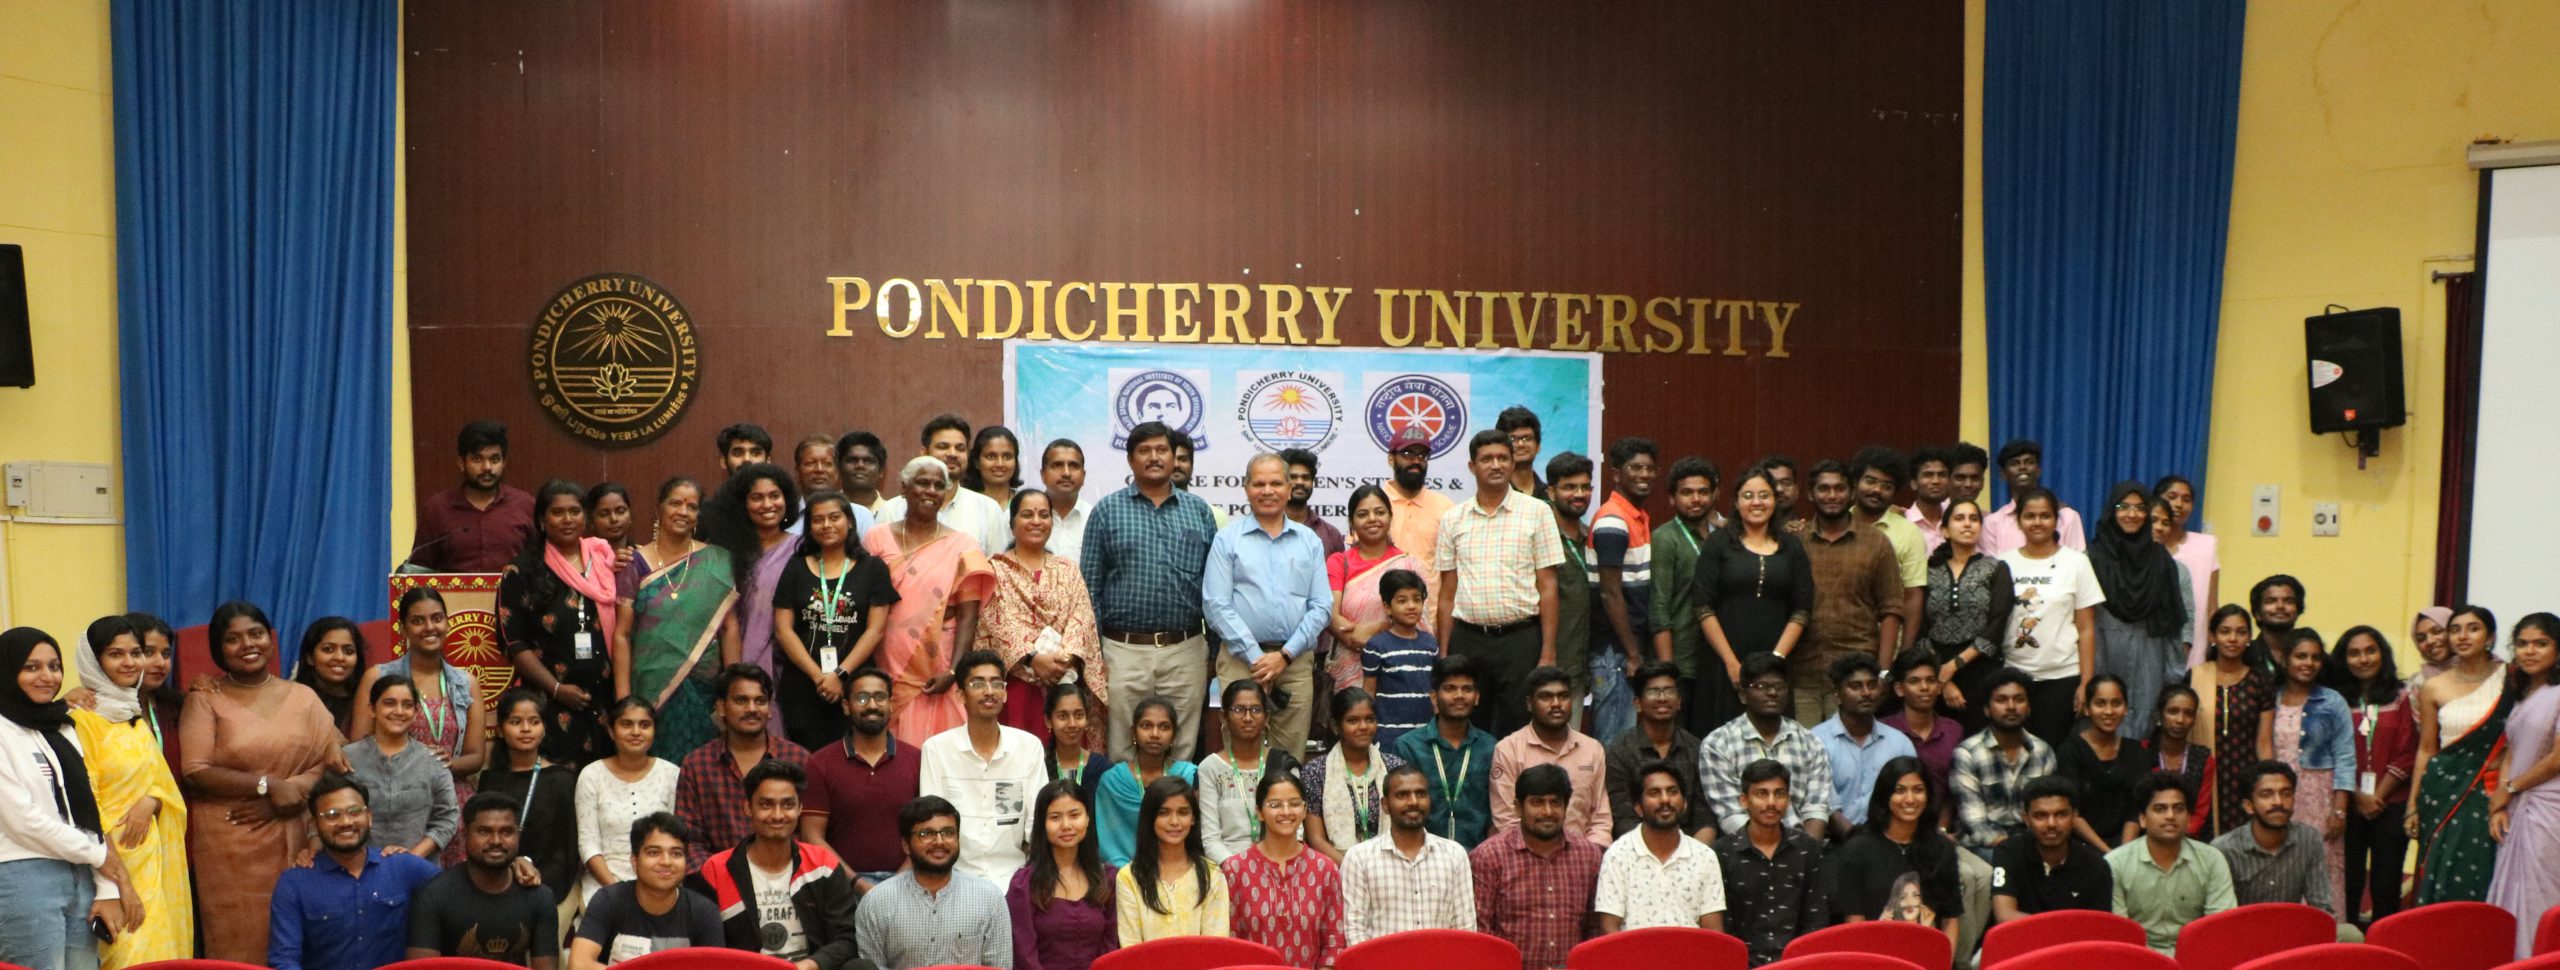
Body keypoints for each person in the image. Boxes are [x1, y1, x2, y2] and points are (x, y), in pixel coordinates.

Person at [182, 602, 342, 963]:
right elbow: (195, 770)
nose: (247, 644)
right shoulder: (206, 700)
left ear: (270, 640)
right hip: (233, 842)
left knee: (306, 934)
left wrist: (295, 790)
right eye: (233, 639)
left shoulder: (303, 696)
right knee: (241, 942)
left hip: (301, 831)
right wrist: (267, 786)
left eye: (255, 634)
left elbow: (335, 753)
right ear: (218, 650)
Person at [1080, 421, 1220, 762]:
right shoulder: (1107, 511)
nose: (1154, 457)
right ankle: (1127, 814)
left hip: (1185, 650)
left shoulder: (1199, 511)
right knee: (1122, 747)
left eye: (1161, 450)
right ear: (1130, 460)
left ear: (1175, 459)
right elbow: (1089, 590)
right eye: (1144, 451)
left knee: (1182, 747)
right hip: (1123, 650)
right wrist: (1097, 656)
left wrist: (1213, 653)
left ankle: (1175, 815)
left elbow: (1214, 590)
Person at [0, 627, 134, 970]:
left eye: (54, 666)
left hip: (81, 873)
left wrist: (105, 887)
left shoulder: (62, 726)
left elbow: (85, 809)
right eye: (31, 667)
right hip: (21, 874)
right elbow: (21, 821)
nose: (47, 676)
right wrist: (98, 855)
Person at [66, 617, 190, 967]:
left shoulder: (133, 719)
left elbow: (161, 781)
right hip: (108, 865)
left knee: (158, 955)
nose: (129, 662)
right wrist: (116, 883)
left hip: (150, 861)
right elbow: (82, 804)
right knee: (125, 955)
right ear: (94, 661)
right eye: (115, 654)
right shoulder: (82, 720)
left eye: (135, 653)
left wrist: (151, 801)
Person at [1436, 430, 1565, 737]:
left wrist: (1547, 651)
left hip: (1520, 640)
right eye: (1487, 459)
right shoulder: (1453, 519)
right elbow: (1446, 594)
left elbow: (1548, 587)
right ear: (1472, 467)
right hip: (1468, 640)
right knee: (1467, 729)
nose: (1496, 465)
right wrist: (1444, 653)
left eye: (1502, 458)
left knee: (1519, 728)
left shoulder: (1537, 512)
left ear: (1511, 463)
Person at [1206, 454, 1333, 758]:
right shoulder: (1227, 540)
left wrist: (1284, 656)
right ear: (1246, 488)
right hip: (1240, 661)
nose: (1267, 491)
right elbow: (1216, 605)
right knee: (1238, 755)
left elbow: (1321, 606)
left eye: (1276, 483)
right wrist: (1257, 658)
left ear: (1290, 488)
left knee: (1288, 759)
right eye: (1259, 483)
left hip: (1295, 663)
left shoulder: (1309, 541)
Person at [863, 458, 998, 738]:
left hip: (938, 661)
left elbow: (968, 614)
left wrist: (953, 670)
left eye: (939, 485)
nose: (931, 490)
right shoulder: (876, 538)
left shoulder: (963, 544)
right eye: (923, 483)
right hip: (887, 658)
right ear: (904, 487)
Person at [615, 478, 742, 760]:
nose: (683, 512)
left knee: (704, 768)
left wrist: (733, 689)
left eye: (692, 506)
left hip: (704, 690)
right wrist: (624, 701)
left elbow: (729, 627)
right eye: (675, 503)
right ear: (659, 508)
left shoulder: (717, 560)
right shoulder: (634, 563)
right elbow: (622, 635)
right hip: (650, 689)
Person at [267, 773, 444, 970]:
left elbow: (458, 894)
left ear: (369, 818)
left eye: (354, 811)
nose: (345, 822)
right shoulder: (295, 883)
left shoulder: (403, 867)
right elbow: (284, 959)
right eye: (332, 815)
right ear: (315, 825)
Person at [698, 761, 863, 970]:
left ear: (800, 808)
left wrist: (810, 965)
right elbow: (708, 949)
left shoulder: (822, 864)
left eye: (787, 805)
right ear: (748, 807)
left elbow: (847, 939)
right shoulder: (716, 869)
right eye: (766, 805)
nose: (777, 815)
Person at [503, 480, 621, 765]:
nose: (568, 519)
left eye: (575, 511)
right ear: (542, 520)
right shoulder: (521, 571)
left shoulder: (606, 560)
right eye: (558, 513)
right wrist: (556, 689)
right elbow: (514, 644)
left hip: (605, 700)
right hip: (549, 703)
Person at [1689, 466, 1815, 730]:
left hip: (1777, 660)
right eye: (1748, 495)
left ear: (1775, 500)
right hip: (1723, 662)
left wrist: (1776, 663)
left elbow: (1802, 609)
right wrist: (1732, 663)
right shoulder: (1719, 543)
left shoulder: (1792, 546)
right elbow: (1703, 606)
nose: (1757, 502)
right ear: (1736, 502)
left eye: (1764, 495)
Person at [772, 490, 899, 750]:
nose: (827, 525)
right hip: (803, 684)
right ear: (809, 527)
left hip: (856, 684)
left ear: (850, 521)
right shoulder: (795, 567)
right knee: (807, 758)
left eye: (834, 517)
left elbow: (875, 630)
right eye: (818, 520)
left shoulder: (873, 569)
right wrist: (819, 676)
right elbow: (783, 629)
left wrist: (840, 675)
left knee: (853, 754)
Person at [980, 490, 1106, 744]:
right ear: (1012, 523)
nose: (1036, 521)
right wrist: (1034, 658)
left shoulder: (1067, 569)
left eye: (1044, 515)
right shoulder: (995, 569)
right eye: (1027, 514)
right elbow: (997, 621)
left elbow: (1081, 617)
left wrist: (1062, 661)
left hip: (1065, 681)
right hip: (1018, 683)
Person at [356, 587, 489, 818]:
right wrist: (409, 760)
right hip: (392, 799)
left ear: (447, 623)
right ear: (403, 628)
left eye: (437, 619)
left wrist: (448, 764)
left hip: (450, 802)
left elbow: (476, 757)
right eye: (418, 621)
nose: (429, 628)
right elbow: (358, 747)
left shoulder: (466, 683)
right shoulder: (377, 677)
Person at [920, 650, 1049, 885]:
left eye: (996, 683)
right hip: (955, 879)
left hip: (1016, 878)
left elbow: (1037, 825)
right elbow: (932, 823)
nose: (989, 692)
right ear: (960, 694)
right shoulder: (937, 750)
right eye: (978, 683)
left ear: (1006, 693)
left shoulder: (1028, 747)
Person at [2410, 605, 2511, 904]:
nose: (2462, 636)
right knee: (2438, 870)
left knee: (2480, 871)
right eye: (2455, 629)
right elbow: (2427, 749)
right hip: (2441, 790)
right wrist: (2413, 805)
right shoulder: (2433, 687)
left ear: (2490, 636)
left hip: (2491, 789)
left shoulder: (2510, 680)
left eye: (2473, 628)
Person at [1796, 460, 1908, 723]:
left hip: (1858, 675)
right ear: (1810, 493)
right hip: (1804, 674)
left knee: (1854, 754)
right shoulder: (1795, 542)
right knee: (1806, 754)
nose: (1832, 495)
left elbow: (1892, 609)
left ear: (1852, 492)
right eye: (1824, 489)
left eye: (1839, 488)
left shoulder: (1876, 542)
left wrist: (1882, 672)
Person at [1996, 487, 2105, 746]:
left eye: (2045, 516)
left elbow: (2087, 628)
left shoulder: (2076, 562)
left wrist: (2086, 682)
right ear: (2018, 520)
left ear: (2056, 520)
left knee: (2051, 752)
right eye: (2030, 516)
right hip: (2014, 673)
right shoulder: (2002, 563)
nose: (2037, 522)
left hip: (2062, 677)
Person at [677, 664, 812, 872]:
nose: (752, 709)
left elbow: (809, 834)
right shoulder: (697, 764)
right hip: (718, 885)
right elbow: (690, 840)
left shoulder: (797, 759)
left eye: (760, 701)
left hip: (787, 880)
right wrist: (722, 878)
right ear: (721, 707)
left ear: (769, 710)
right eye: (741, 700)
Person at [406, 792, 562, 968]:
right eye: (484, 831)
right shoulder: (434, 895)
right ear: (465, 835)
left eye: (506, 832)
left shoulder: (539, 897)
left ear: (518, 835)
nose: (496, 841)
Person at [1470, 763, 1603, 969]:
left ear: (1566, 806)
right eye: (1537, 802)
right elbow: (1482, 930)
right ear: (1518, 807)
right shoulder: (1490, 856)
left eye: (1555, 803)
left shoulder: (1588, 856)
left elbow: (1594, 927)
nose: (1547, 811)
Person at [800, 667, 920, 894]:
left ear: (891, 703)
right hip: (842, 888)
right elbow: (812, 837)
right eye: (862, 698)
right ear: (846, 706)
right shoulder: (820, 763)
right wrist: (857, 884)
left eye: (880, 697)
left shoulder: (918, 760)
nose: (872, 705)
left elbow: (927, 830)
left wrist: (898, 884)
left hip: (908, 886)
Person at [857, 796, 1013, 969]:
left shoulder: (989, 898)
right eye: (926, 834)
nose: (939, 841)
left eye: (948, 833)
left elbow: (1000, 967)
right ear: (906, 845)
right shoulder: (877, 902)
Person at [2088, 483, 2192, 738]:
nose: (2132, 514)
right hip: (2103, 651)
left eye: (2140, 508)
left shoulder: (2163, 563)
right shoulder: (2090, 559)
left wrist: (2173, 677)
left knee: (2142, 737)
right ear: (2112, 511)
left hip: (2150, 658)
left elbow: (2173, 624)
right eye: (2124, 507)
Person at [2210, 761, 2354, 938]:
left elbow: (2321, 907)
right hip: (2244, 937)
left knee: (2350, 935)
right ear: (2249, 806)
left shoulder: (2309, 839)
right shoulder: (2224, 849)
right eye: (2267, 795)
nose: (2278, 802)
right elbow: (2221, 919)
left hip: (2292, 933)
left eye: (2286, 794)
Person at [1830, 758, 1964, 947]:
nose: (1909, 799)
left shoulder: (1942, 849)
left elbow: (1950, 921)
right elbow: (1854, 925)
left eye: (1918, 790)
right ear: (1885, 796)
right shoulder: (1857, 849)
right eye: (1900, 790)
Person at [2487, 613, 2560, 958]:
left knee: (2540, 897)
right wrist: (2501, 803)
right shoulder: (2524, 694)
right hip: (2517, 806)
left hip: (2549, 809)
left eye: (2541, 643)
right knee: (2511, 897)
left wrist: (2511, 789)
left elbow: (2558, 759)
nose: (2530, 651)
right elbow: (2512, 750)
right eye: (2523, 644)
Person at [1326, 485, 1438, 705]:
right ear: (1351, 522)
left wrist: (1376, 630)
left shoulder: (1408, 564)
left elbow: (1417, 617)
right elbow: (1332, 616)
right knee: (1358, 730)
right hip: (1351, 669)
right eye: (1362, 514)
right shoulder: (1339, 562)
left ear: (1390, 517)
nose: (1372, 519)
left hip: (1402, 666)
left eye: (1379, 512)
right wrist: (1356, 639)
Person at [479, 687, 583, 923]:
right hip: (497, 881)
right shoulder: (490, 780)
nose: (526, 729)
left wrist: (538, 879)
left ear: (544, 728)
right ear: (501, 731)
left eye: (534, 722)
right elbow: (481, 841)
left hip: (549, 885)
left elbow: (566, 848)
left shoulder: (562, 780)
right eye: (516, 722)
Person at [2269, 630, 2355, 915]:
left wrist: (2340, 810)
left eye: (2315, 657)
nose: (2308, 663)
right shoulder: (2270, 698)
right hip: (2278, 796)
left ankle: (2322, 939)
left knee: (2321, 867)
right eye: (2301, 656)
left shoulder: (2332, 702)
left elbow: (2345, 757)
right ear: (2284, 659)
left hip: (2319, 798)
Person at [1222, 771, 1345, 968]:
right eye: (1275, 805)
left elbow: (1334, 941)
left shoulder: (1325, 869)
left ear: (1305, 810)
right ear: (1259, 812)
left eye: (1294, 804)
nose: (1286, 811)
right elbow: (1230, 939)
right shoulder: (1235, 869)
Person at [1701, 654, 1832, 840]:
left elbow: (1817, 809)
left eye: (1779, 687)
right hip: (1744, 853)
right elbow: (1730, 814)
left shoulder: (1810, 742)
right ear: (1742, 694)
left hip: (1802, 852)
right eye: (1762, 687)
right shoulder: (1718, 744)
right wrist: (1769, 853)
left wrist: (1804, 856)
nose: (1772, 693)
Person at [1341, 766, 1477, 944]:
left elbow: (1465, 928)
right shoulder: (1359, 858)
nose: (1413, 801)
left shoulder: (1454, 855)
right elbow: (1354, 930)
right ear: (1385, 805)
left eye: (1421, 794)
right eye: (1402, 795)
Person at [569, 813, 725, 968]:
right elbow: (578, 964)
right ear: (635, 861)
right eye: (654, 852)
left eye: (676, 853)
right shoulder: (609, 900)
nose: (666, 862)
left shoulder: (704, 911)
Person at [2105, 772, 2235, 953]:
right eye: (2160, 809)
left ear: (2189, 818)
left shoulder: (2212, 859)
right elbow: (2121, 934)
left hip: (2197, 958)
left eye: (2179, 808)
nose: (2170, 816)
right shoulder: (2115, 864)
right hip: (2138, 959)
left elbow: (2219, 927)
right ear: (2143, 819)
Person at [1594, 759, 1726, 933]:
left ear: (1685, 803)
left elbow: (1713, 931)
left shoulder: (1704, 857)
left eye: (1672, 792)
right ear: (1638, 807)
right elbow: (1609, 928)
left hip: (1689, 958)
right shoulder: (1618, 855)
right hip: (1633, 958)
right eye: (1654, 793)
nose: (1665, 800)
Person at [1714, 760, 1826, 965]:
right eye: (1762, 794)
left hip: (1799, 965)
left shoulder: (1807, 849)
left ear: (1788, 799)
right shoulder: (1722, 852)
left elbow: (1815, 919)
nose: (1771, 803)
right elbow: (1724, 926)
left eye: (1779, 794)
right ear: (1744, 800)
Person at [703, 463, 803, 689]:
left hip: (790, 666)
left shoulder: (803, 549)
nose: (767, 505)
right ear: (743, 505)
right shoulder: (723, 552)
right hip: (729, 662)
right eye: (757, 498)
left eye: (774, 496)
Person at [575, 697, 682, 907]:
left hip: (661, 881)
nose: (636, 732)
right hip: (604, 883)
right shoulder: (591, 775)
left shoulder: (671, 774)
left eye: (644, 725)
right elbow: (588, 843)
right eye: (626, 724)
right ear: (611, 731)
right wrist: (615, 889)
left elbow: (676, 840)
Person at [1920, 500, 2014, 732]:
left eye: (1974, 519)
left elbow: (1997, 623)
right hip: (1936, 669)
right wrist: (1944, 677)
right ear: (1944, 530)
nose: (1967, 524)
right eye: (1959, 518)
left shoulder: (1996, 568)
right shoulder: (1928, 570)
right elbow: (1921, 626)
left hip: (1981, 667)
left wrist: (1955, 665)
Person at [1491, 666, 1614, 844]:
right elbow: (1507, 819)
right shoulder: (1509, 750)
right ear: (1529, 703)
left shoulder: (1592, 749)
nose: (1556, 703)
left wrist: (1589, 857)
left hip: (1583, 860)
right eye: (1546, 697)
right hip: (1525, 860)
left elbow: (1601, 819)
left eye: (1563, 696)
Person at [343, 674, 461, 858]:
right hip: (359, 868)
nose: (399, 711)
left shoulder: (433, 761)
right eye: (389, 703)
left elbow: (447, 818)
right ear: (372, 709)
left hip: (418, 869)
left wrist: (410, 858)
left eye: (407, 705)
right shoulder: (349, 758)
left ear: (415, 713)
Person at [1589, 438, 1659, 741]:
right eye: (1635, 468)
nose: (1644, 474)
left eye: (1649, 468)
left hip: (1623, 649)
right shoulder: (1613, 521)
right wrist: (1632, 654)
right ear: (1617, 474)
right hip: (1614, 653)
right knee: (1615, 744)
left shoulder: (1636, 517)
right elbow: (1610, 592)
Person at [1391, 654, 1498, 847]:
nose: (1459, 695)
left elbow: (1496, 813)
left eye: (1467, 689)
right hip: (1423, 857)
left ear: (1477, 697)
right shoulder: (1408, 746)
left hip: (1478, 857)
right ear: (1434, 697)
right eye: (1450, 688)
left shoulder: (1490, 747)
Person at [1010, 780, 1118, 970]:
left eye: (1074, 815)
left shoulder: (1107, 879)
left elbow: (1111, 944)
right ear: (1042, 824)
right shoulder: (1024, 884)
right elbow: (1024, 955)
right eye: (1055, 817)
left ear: (1087, 818)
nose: (1066, 825)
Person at [1952, 670, 2058, 854]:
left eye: (2019, 699)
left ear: (2029, 707)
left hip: (2033, 844)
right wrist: (2013, 850)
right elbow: (1974, 823)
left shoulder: (2043, 752)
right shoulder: (1967, 753)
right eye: (2001, 700)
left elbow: (2049, 810)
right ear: (1987, 709)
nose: (2011, 706)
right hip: (1983, 847)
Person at [412, 420, 538, 573]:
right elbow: (419, 570)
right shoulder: (437, 509)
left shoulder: (526, 505)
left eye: (494, 459)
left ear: (504, 463)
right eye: (477, 459)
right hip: (452, 597)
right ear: (461, 462)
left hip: (511, 596)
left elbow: (539, 564)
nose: (487, 467)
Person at [878, 415, 1013, 557]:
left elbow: (997, 571)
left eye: (960, 448)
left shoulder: (988, 509)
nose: (952, 454)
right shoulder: (892, 510)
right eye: (943, 447)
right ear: (924, 453)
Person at [2194, 606, 2277, 834]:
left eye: (2241, 632)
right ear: (2212, 636)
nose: (2233, 639)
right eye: (2225, 631)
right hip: (2204, 776)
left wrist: (2267, 783)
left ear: (2249, 637)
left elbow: (2264, 741)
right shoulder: (2195, 678)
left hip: (2246, 776)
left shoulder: (2260, 681)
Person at [1114, 777, 1228, 942]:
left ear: (1193, 818)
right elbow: (1130, 947)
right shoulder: (1129, 877)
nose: (1174, 822)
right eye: (1163, 813)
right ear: (1150, 818)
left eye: (1183, 812)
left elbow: (1216, 946)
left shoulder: (1212, 875)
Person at [1606, 661, 1711, 838]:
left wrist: (1694, 856)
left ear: (1679, 701)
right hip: (1637, 847)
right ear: (1638, 703)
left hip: (1689, 849)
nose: (1662, 698)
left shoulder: (1696, 748)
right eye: (1653, 692)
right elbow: (1622, 817)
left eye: (1669, 691)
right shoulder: (1620, 750)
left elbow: (1704, 816)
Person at [1815, 654, 1918, 832]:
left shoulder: (1899, 744)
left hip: (1889, 840)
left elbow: (1912, 798)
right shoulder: (1816, 741)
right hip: (1833, 843)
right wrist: (1859, 844)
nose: (1866, 693)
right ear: (1837, 696)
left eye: (1872, 685)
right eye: (1856, 686)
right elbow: (1822, 804)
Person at [1301, 687, 1405, 860]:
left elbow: (1404, 829)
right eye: (1353, 720)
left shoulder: (1394, 768)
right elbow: (1315, 838)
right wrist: (1351, 869)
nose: (1363, 727)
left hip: (1390, 865)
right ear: (1336, 726)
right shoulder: (1316, 771)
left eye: (1369, 719)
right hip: (1337, 867)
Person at [1990, 776, 2113, 921]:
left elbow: (2097, 926)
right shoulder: (2009, 852)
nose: (2051, 824)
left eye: (2061, 814)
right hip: (2018, 941)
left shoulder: (2096, 866)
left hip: (2075, 943)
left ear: (2074, 816)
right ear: (2026, 819)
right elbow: (2004, 916)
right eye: (2041, 816)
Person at [1651, 457, 1722, 710]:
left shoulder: (1725, 537)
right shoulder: (1665, 538)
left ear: (1715, 494)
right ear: (1672, 498)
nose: (1696, 499)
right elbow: (1659, 606)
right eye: (1687, 493)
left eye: (1703, 492)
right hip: (1683, 660)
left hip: (1718, 660)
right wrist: (1668, 670)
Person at [1096, 697, 1199, 867]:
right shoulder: (1113, 781)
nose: (1155, 734)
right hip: (1122, 873)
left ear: (1174, 735)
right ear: (1133, 732)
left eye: (1164, 727)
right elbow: (1108, 843)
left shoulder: (1188, 776)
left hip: (1180, 869)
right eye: (1146, 726)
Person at [1200, 680, 1295, 863]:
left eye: (1256, 710)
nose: (1248, 718)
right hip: (1228, 867)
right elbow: (1210, 840)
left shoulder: (1283, 764)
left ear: (1266, 718)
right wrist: (1240, 870)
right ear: (1223, 717)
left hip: (1279, 863)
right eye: (1238, 710)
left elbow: (1295, 832)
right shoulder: (1210, 768)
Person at [1847, 447, 1930, 655]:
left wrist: (1906, 651)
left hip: (1888, 645)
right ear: (1855, 482)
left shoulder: (1908, 533)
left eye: (1886, 486)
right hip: (1838, 642)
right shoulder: (1836, 525)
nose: (1876, 490)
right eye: (1870, 481)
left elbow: (1913, 595)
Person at [2057, 675, 2148, 850]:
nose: (2109, 711)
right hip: (2082, 846)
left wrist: (2122, 853)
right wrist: (2108, 853)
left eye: (2116, 703)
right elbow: (2072, 812)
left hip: (2128, 846)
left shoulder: (2138, 752)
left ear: (2126, 708)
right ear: (2087, 709)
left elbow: (2135, 810)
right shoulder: (2070, 751)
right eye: (2100, 703)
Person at [1547, 453, 1600, 721]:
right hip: (1544, 666)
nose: (1579, 494)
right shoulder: (1539, 537)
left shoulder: (1592, 537)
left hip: (1580, 668)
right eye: (1569, 487)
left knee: (1570, 750)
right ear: (1551, 491)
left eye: (1585, 487)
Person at [1360, 569, 1439, 747]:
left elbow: (1435, 689)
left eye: (1417, 600)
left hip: (1424, 733)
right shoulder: (1377, 646)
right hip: (1388, 735)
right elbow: (1369, 692)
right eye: (1402, 601)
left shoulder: (1430, 644)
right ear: (1387, 607)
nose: (1411, 606)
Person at [2150, 476, 2219, 667]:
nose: (2179, 504)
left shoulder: (2206, 546)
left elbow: (2212, 606)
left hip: (2195, 646)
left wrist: (2212, 648)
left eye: (2186, 499)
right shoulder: (2144, 550)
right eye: (2172, 496)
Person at [1881, 647, 1967, 801]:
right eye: (1914, 681)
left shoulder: (1953, 731)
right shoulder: (1883, 731)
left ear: (1939, 687)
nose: (1924, 687)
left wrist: (1942, 825)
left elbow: (1956, 789)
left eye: (1931, 680)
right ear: (1899, 689)